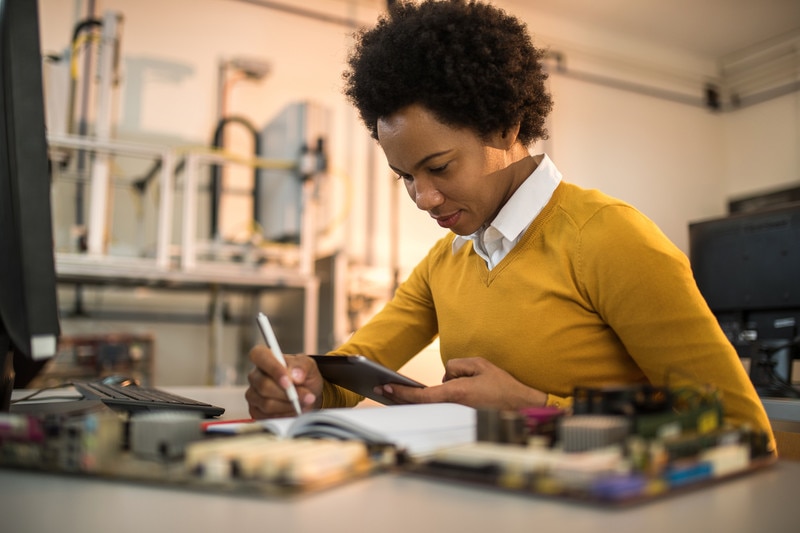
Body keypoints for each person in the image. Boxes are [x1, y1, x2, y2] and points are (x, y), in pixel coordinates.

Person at [245, 0, 774, 451]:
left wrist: (534, 408)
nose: (423, 197)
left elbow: (740, 430)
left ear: (505, 126)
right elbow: (351, 369)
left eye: (440, 167)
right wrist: (304, 386)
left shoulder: (609, 239)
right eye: (404, 176)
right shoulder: (446, 263)